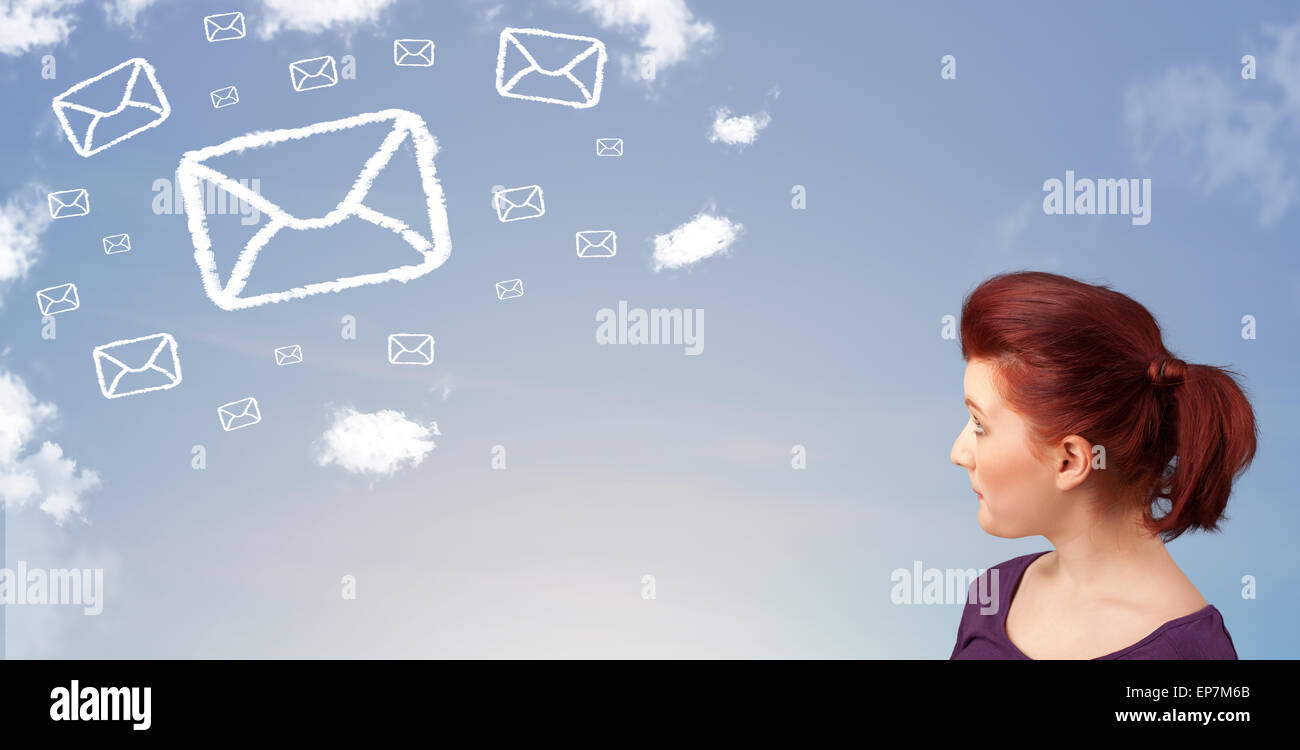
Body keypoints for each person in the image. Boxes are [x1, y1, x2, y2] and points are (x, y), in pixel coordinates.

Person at [948, 271, 1256, 659]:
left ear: (1070, 461)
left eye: (979, 424)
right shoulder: (992, 595)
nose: (958, 452)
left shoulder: (1192, 653)